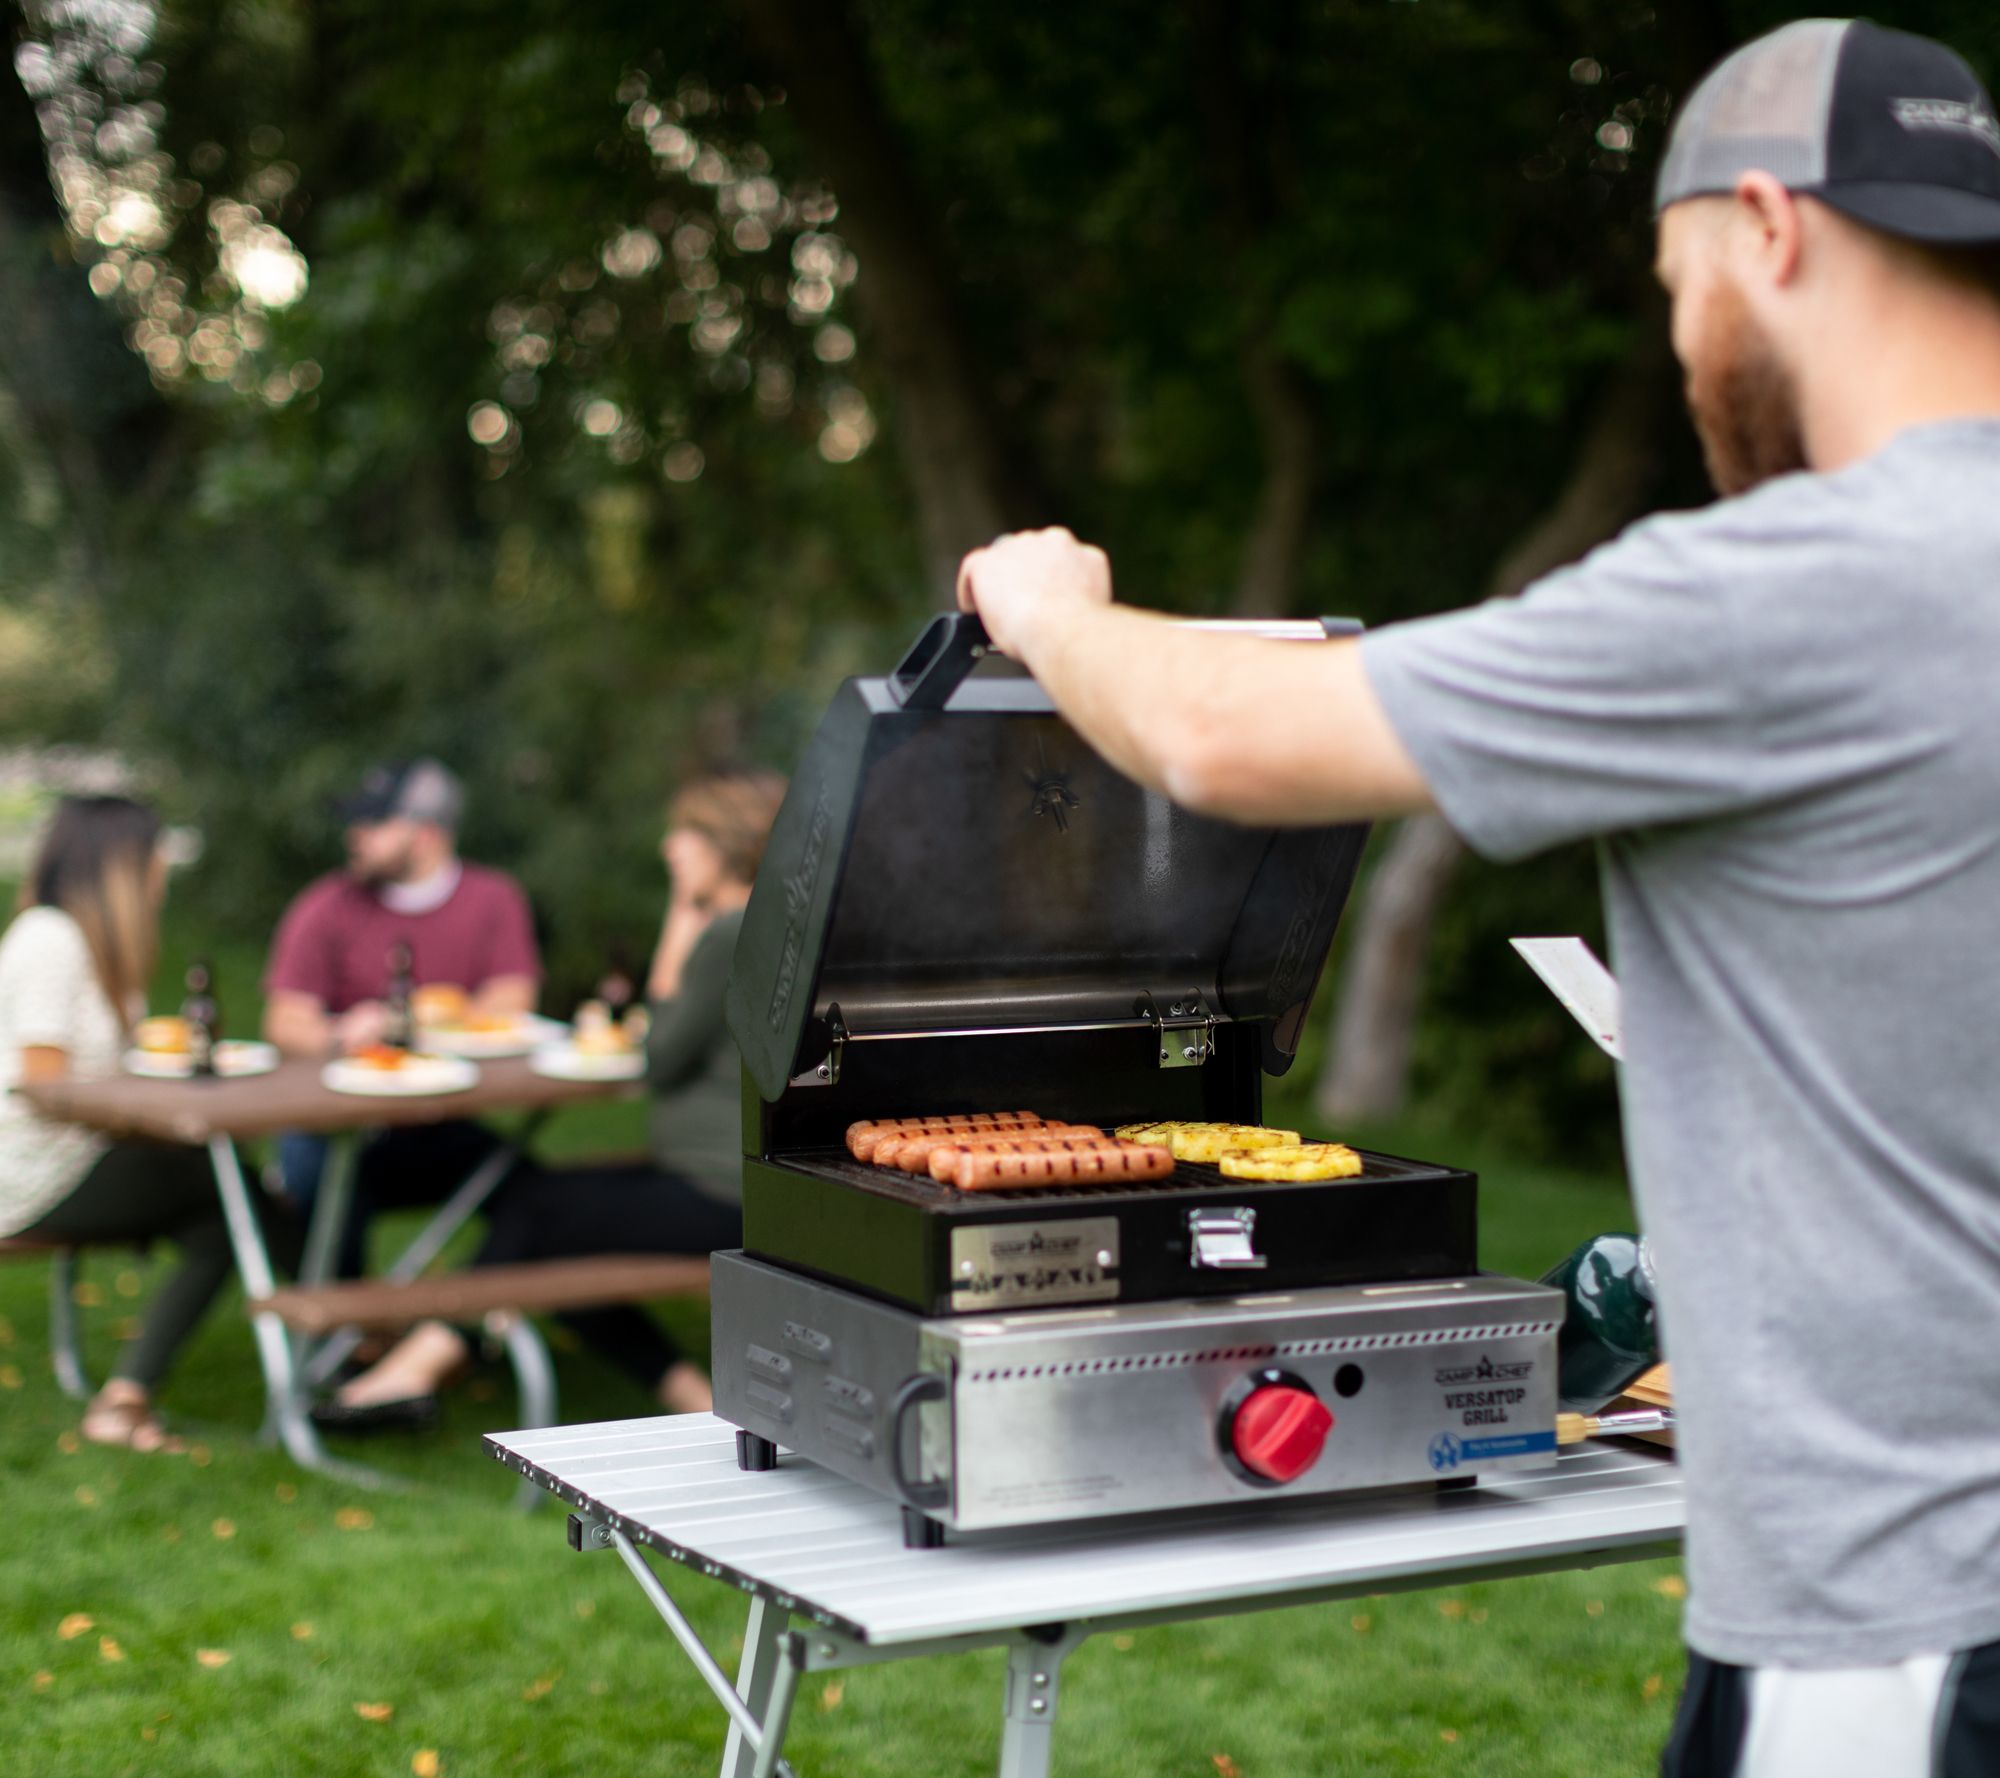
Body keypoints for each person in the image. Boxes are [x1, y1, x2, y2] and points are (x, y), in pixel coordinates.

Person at [955, 21, 2000, 1777]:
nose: (1685, 351)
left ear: (1767, 229)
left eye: (1677, 292)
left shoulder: (1798, 584)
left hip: (1912, 1603)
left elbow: (1219, 735)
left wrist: (1049, 609)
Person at [322, 768, 786, 1423]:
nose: (670, 849)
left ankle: (420, 1364)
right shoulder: (778, 926)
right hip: (753, 1186)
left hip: (724, 1196)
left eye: (685, 834)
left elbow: (657, 1056)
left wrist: (681, 919)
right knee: (545, 1212)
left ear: (724, 844)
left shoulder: (727, 933)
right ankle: (690, 1399)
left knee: (540, 1214)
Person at [0, 797, 298, 1450]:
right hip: (30, 1174)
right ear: (121, 864)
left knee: (227, 1215)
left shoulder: (94, 946)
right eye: (158, 853)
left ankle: (125, 1398)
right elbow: (44, 1084)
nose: (165, 868)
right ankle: (357, 1333)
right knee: (234, 1193)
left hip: (75, 1157)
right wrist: (150, 1117)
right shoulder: (49, 939)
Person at [262, 759, 541, 1277]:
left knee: (532, 1189)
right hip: (342, 1125)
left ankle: (462, 1326)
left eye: (374, 824)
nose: (355, 836)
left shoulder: (492, 899)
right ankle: (344, 1336)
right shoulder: (326, 905)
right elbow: (284, 1023)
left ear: (428, 834)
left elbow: (513, 998)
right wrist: (339, 1034)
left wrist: (414, 1021)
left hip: (442, 1118)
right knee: (316, 1177)